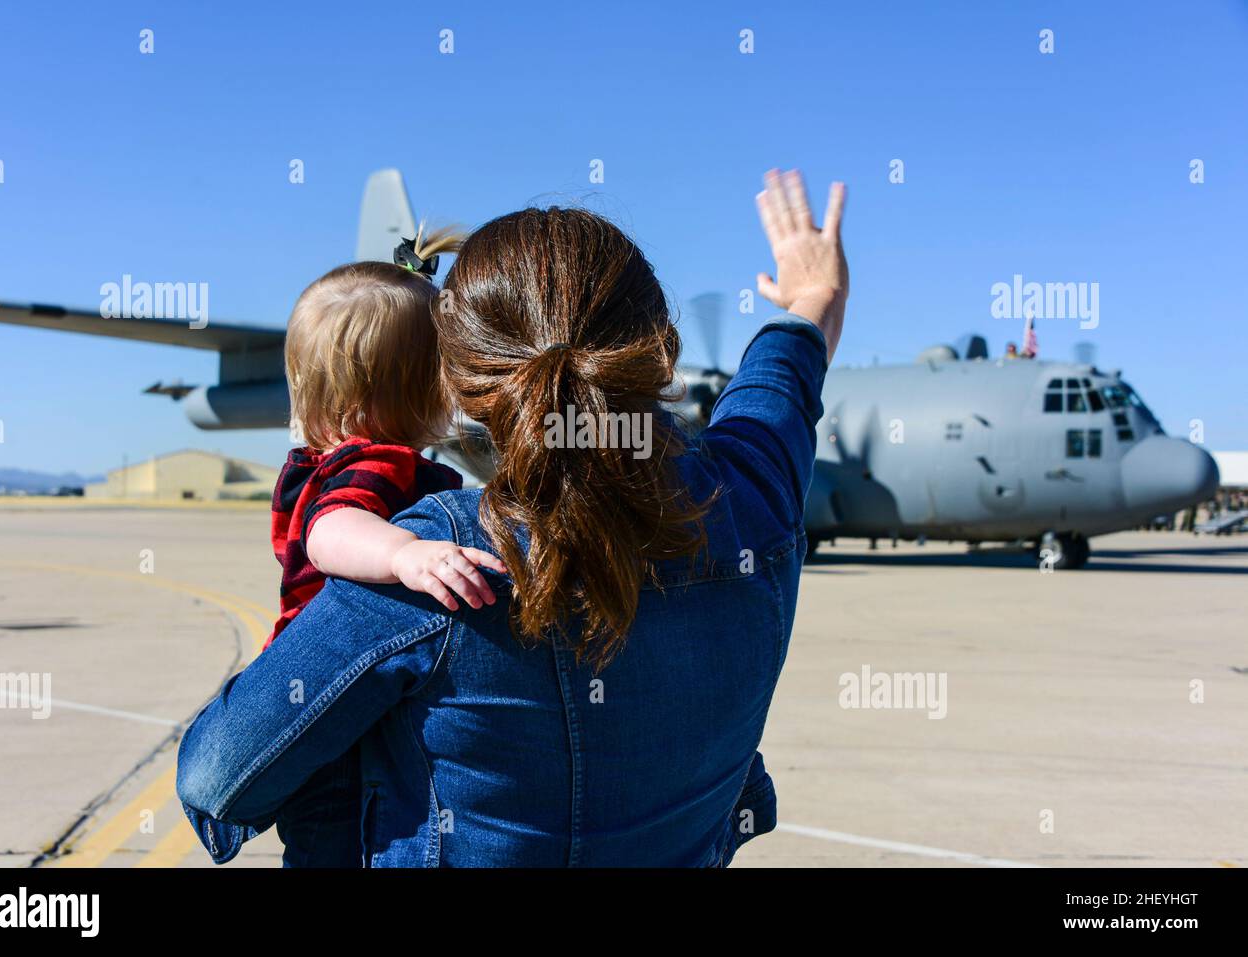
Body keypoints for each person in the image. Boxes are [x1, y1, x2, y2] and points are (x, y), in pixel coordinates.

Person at [176, 168, 848, 866]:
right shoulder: (753, 497)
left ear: (463, 380)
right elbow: (782, 383)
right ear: (661, 349)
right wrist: (812, 298)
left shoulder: (435, 559)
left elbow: (215, 776)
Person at [261, 231, 506, 866]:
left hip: (310, 692)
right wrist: (406, 555)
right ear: (426, 387)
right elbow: (329, 532)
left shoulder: (315, 463)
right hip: (335, 706)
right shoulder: (376, 464)